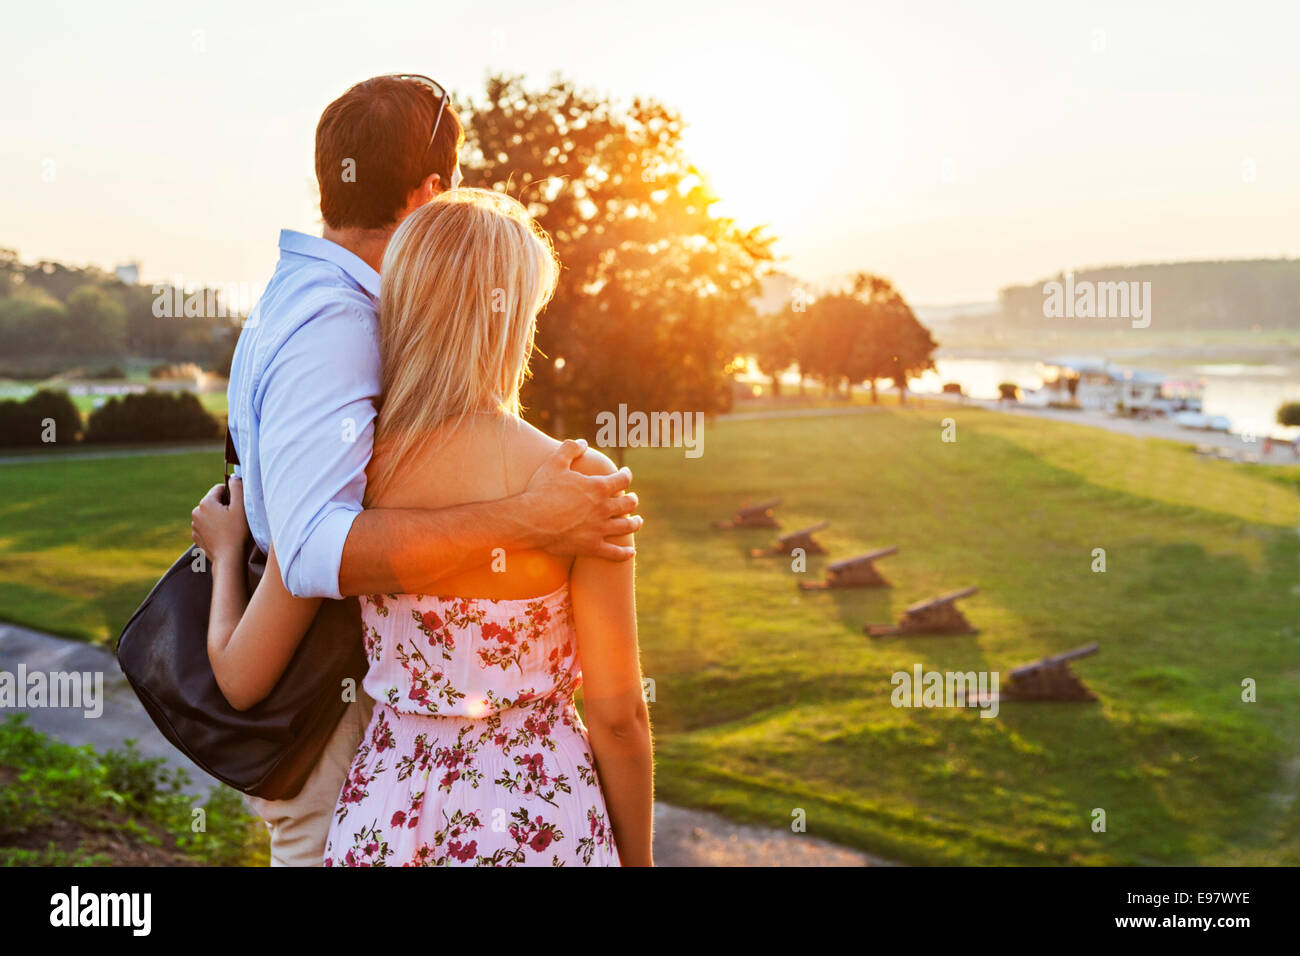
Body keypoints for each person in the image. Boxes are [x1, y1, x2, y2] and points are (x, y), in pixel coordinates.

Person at [193, 75, 641, 867]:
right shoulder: (572, 482)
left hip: (389, 812)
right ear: (430, 194)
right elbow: (619, 716)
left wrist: (228, 555)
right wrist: (528, 518)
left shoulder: (372, 466)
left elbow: (260, 632)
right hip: (534, 816)